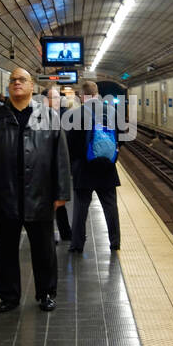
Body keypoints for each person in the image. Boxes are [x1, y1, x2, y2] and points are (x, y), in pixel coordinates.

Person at [0, 67, 71, 312]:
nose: (17, 83)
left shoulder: (48, 117)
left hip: (40, 194)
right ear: (8, 86)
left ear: (31, 86)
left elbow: (61, 157)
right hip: (5, 194)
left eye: (22, 80)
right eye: (13, 80)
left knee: (44, 249)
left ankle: (46, 293)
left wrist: (61, 193)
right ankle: (9, 296)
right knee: (6, 249)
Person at [66, 81, 122, 254]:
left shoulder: (76, 114)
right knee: (110, 206)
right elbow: (120, 139)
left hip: (84, 169)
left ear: (82, 96)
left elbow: (70, 144)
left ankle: (77, 244)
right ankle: (115, 242)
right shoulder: (112, 112)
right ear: (97, 93)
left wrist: (74, 164)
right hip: (107, 168)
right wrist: (110, 158)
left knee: (81, 208)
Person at [45, 85, 72, 245]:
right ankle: (51, 234)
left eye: (57, 98)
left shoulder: (65, 116)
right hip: (44, 168)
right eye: (52, 98)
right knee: (47, 204)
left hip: (59, 166)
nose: (55, 101)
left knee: (59, 202)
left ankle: (65, 232)